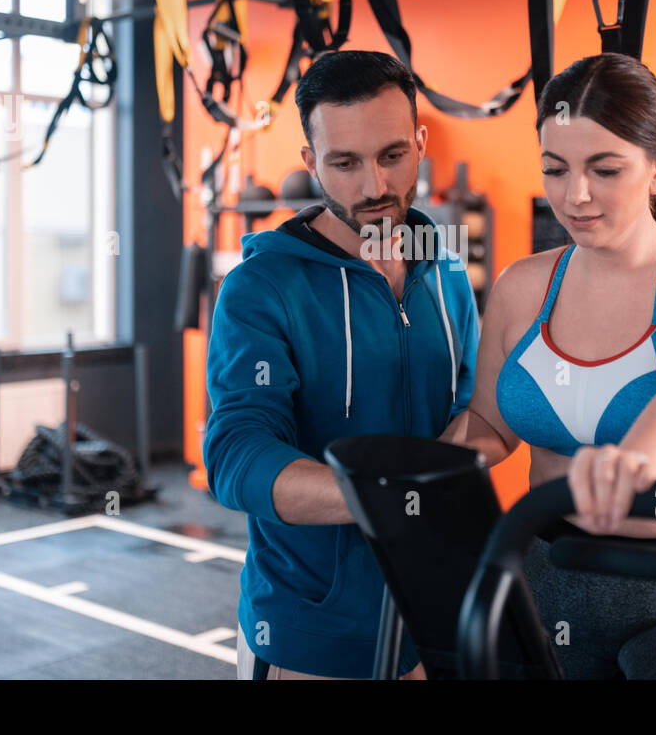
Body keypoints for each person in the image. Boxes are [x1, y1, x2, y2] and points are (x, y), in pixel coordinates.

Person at [440, 52, 656, 678]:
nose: (575, 195)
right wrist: (419, 472)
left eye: (604, 169)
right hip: (552, 579)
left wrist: (637, 460)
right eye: (555, 170)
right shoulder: (522, 287)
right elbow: (491, 424)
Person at [204, 49, 483, 679]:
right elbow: (236, 454)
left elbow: (469, 410)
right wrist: (386, 500)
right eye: (344, 163)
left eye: (392, 156)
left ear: (420, 141)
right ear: (310, 163)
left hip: (434, 616)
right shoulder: (261, 287)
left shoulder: (445, 271)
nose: (374, 187)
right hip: (314, 633)